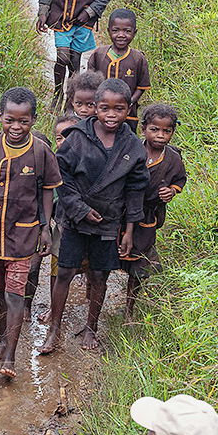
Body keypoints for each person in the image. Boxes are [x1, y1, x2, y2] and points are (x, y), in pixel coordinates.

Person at [46, 77, 146, 355]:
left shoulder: (133, 145)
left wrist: (128, 230)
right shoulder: (77, 137)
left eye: (119, 109)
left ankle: (91, 328)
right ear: (96, 108)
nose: (111, 115)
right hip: (76, 219)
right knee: (64, 271)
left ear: (129, 109)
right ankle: (54, 329)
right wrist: (79, 208)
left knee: (99, 275)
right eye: (104, 108)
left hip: (109, 219)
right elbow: (60, 176)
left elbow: (136, 190)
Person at [0, 89, 61, 381]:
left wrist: (44, 228)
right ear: (1, 117)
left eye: (24, 121)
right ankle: (2, 338)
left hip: (22, 236)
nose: (16, 127)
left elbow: (48, 190)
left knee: (14, 294)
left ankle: (11, 354)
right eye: (10, 120)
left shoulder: (41, 151)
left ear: (33, 119)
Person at [125, 105, 185, 316]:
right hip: (123, 214)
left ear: (172, 132)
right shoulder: (132, 151)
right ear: (143, 129)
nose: (160, 135)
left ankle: (129, 306)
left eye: (166, 131)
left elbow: (180, 179)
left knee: (140, 265)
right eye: (154, 129)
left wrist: (172, 191)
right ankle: (91, 291)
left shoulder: (172, 159)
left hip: (148, 217)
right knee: (109, 255)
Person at [86, 10, 151, 114]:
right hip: (101, 112)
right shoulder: (98, 55)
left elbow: (141, 86)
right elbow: (90, 83)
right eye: (115, 30)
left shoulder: (138, 58)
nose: (121, 35)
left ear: (135, 33)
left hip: (127, 114)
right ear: (108, 31)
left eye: (127, 31)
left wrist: (130, 102)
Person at [53, 70, 104, 143]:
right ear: (72, 101)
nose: (83, 109)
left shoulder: (100, 125)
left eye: (90, 105)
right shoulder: (69, 124)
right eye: (79, 104)